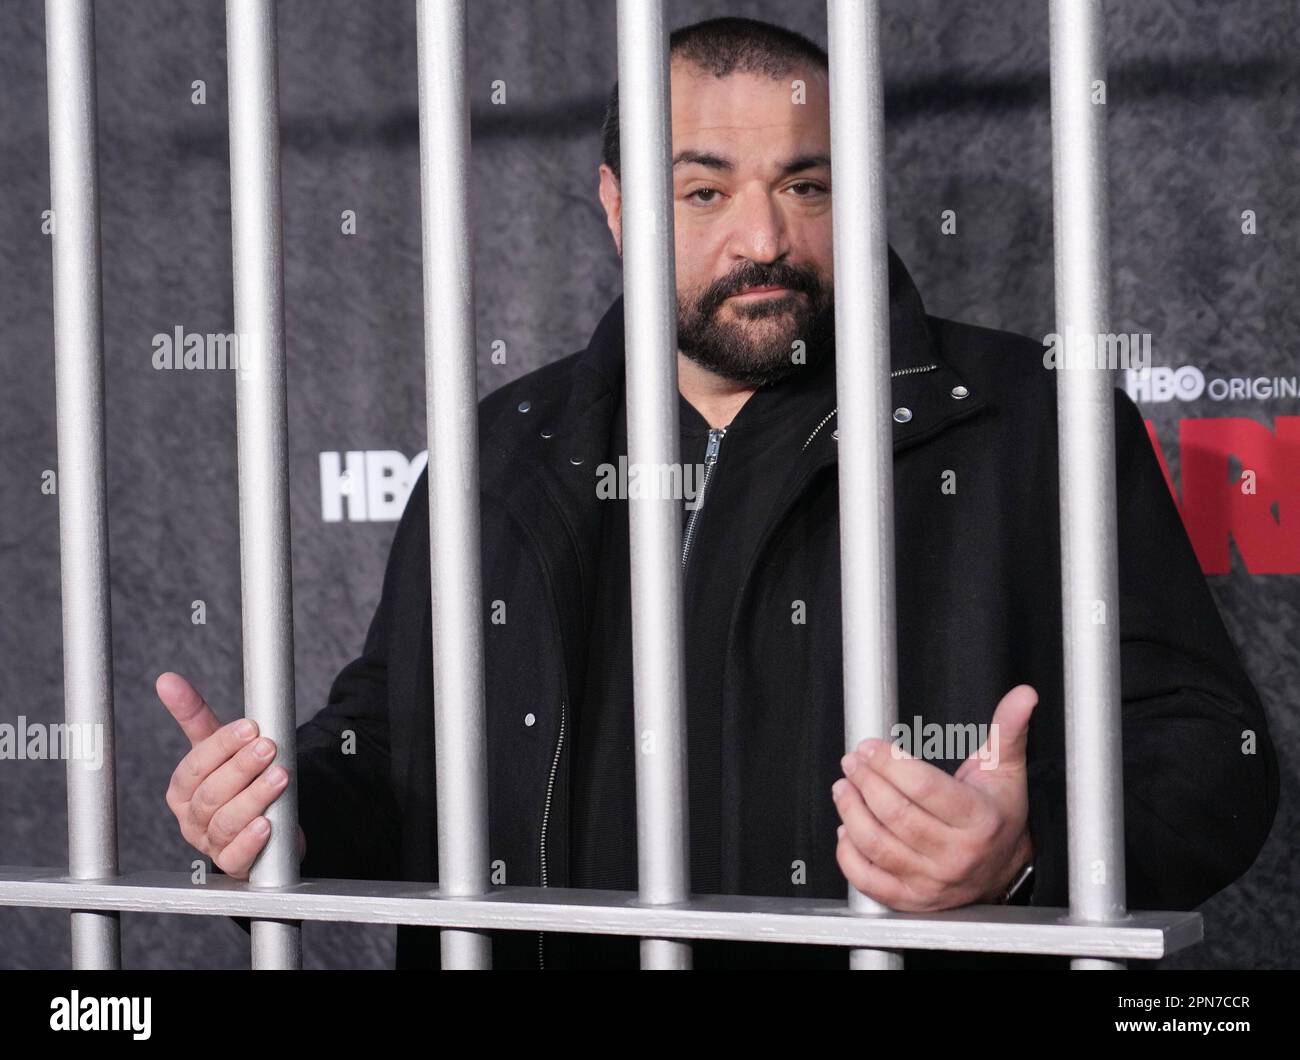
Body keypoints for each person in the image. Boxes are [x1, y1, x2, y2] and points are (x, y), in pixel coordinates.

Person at [156, 16, 1279, 969]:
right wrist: (280, 809)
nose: (763, 238)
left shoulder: (1032, 421)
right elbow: (393, 742)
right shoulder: (504, 446)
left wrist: (1029, 839)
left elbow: (1211, 754)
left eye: (807, 183)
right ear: (615, 205)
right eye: (702, 189)